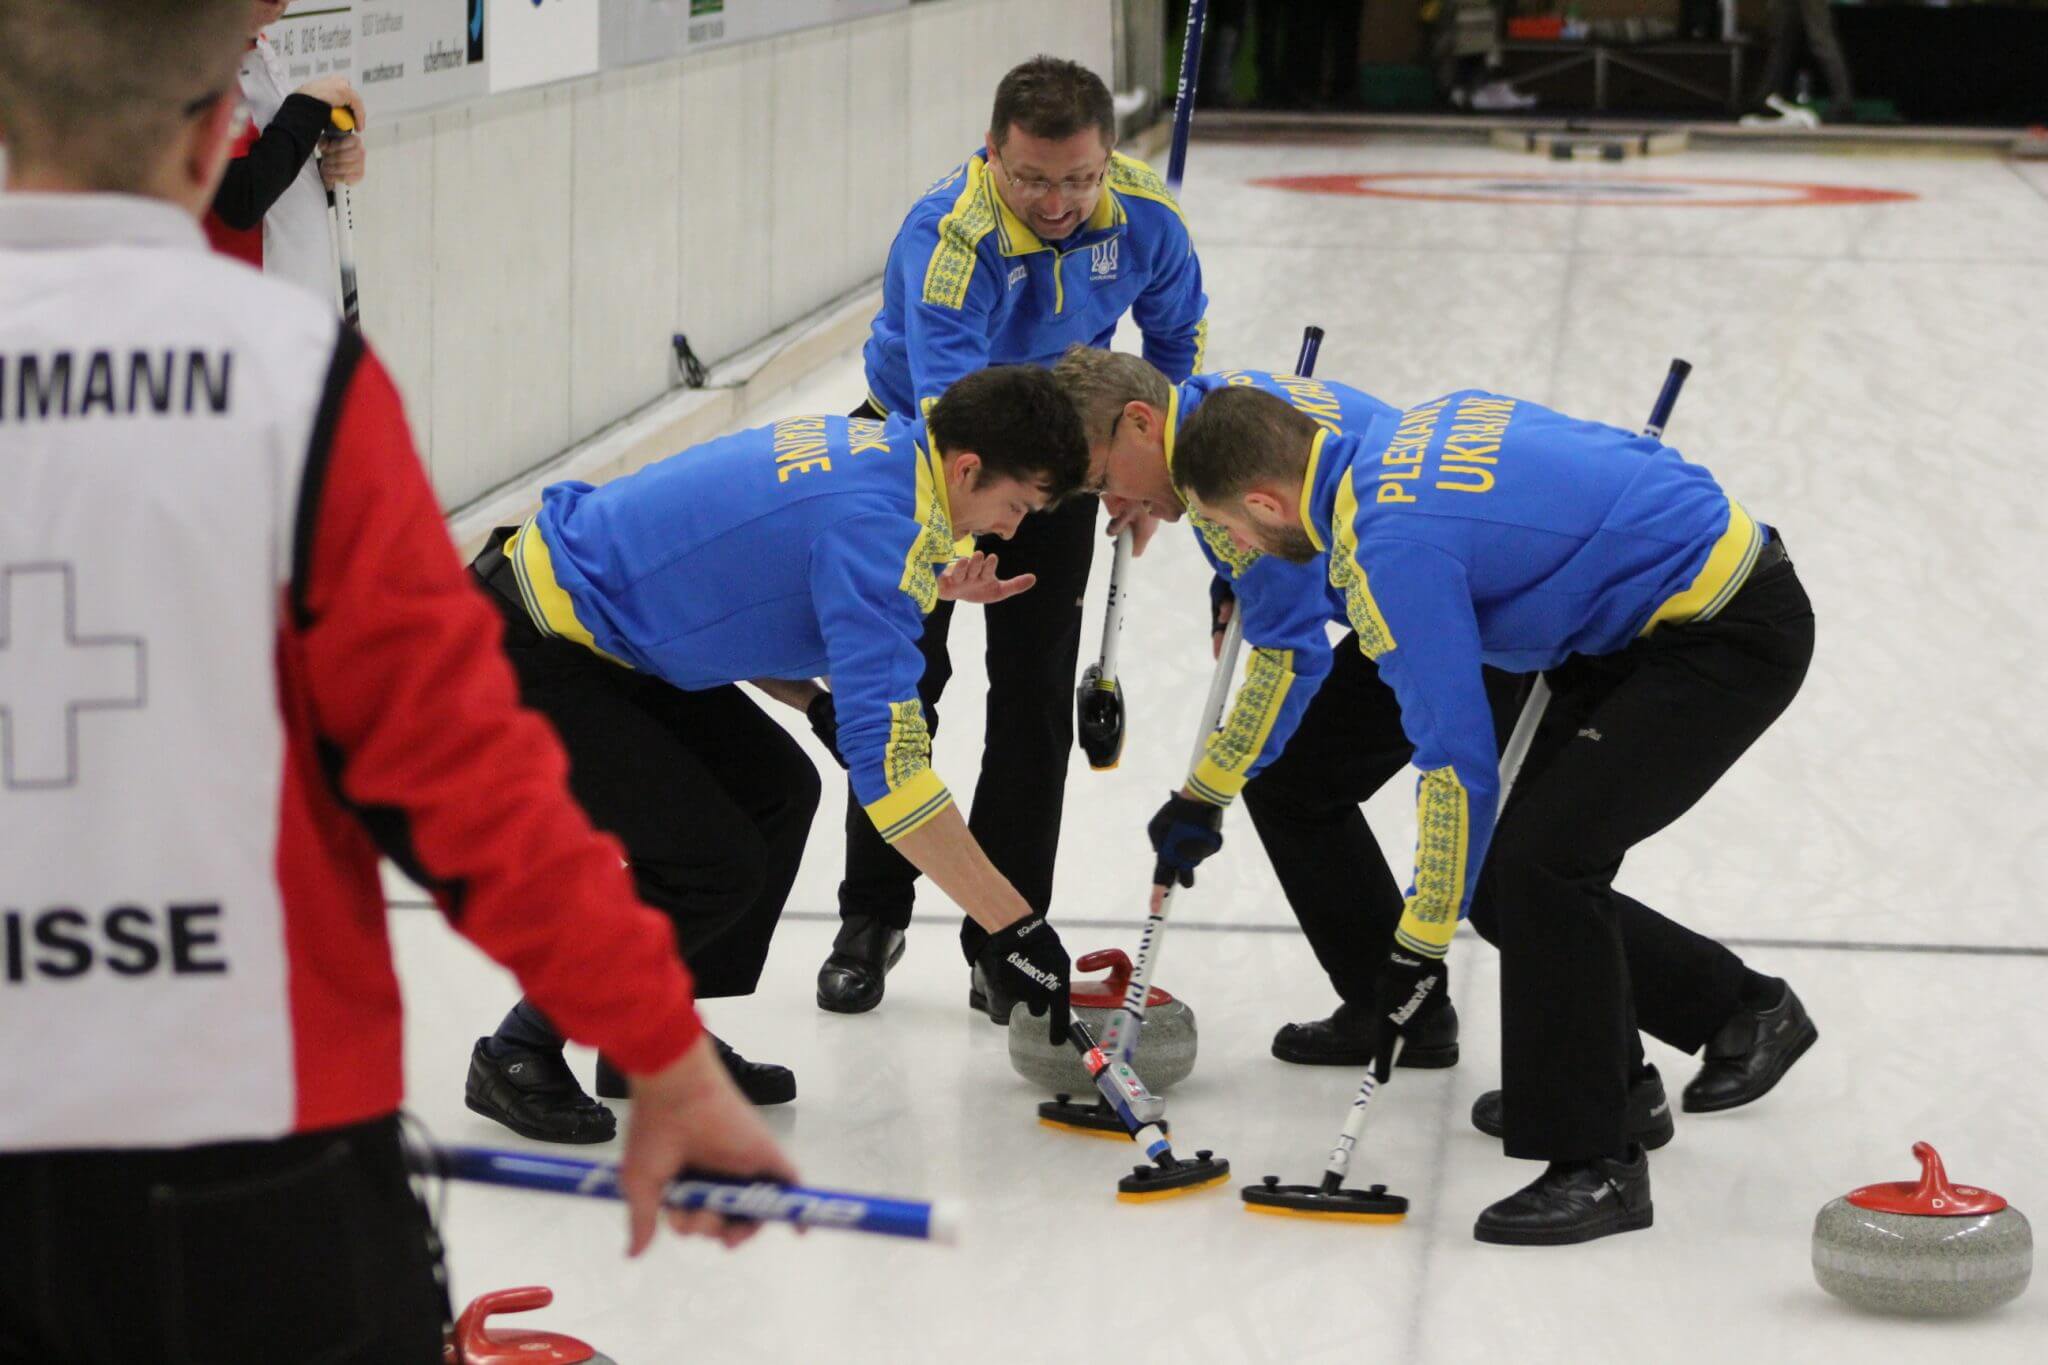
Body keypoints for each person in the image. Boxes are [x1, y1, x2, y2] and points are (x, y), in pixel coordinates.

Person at [0, 2, 789, 1360]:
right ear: (214, 138)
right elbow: (464, 772)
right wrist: (660, 1049)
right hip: (259, 1138)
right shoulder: (292, 383)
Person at [1061, 347, 1806, 1138]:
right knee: (1503, 861)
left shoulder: (1372, 543)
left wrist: (1415, 943)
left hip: (1628, 623)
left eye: (1105, 477)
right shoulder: (1260, 417)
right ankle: (1601, 1071)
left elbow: (1375, 713)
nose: (1112, 504)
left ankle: (1638, 1078)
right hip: (1563, 605)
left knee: (1524, 863)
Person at [463, 367, 1091, 1143]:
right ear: (966, 467)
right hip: (527, 648)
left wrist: (816, 700)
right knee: (711, 858)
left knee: (776, 792)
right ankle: (517, 1047)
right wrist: (1015, 926)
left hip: (601, 627)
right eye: (1015, 506)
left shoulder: (885, 454)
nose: (1007, 530)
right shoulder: (879, 530)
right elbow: (896, 787)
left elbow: (734, 596)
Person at [822, 54, 1208, 1017]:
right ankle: (870, 917)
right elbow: (952, 415)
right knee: (902, 687)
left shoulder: (1146, 218)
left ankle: (1006, 937)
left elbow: (1178, 342)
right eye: (1033, 178)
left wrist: (1147, 466)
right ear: (993, 154)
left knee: (1035, 700)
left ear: (1108, 158)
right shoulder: (950, 239)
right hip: (924, 457)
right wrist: (954, 554)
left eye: (1079, 178)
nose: (1059, 201)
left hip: (1066, 458)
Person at [204, 0, 366, 306]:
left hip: (298, 314)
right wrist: (306, 106)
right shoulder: (198, 58)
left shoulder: (257, 45)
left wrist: (324, 177)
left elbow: (267, 177)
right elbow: (240, 198)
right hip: (245, 321)